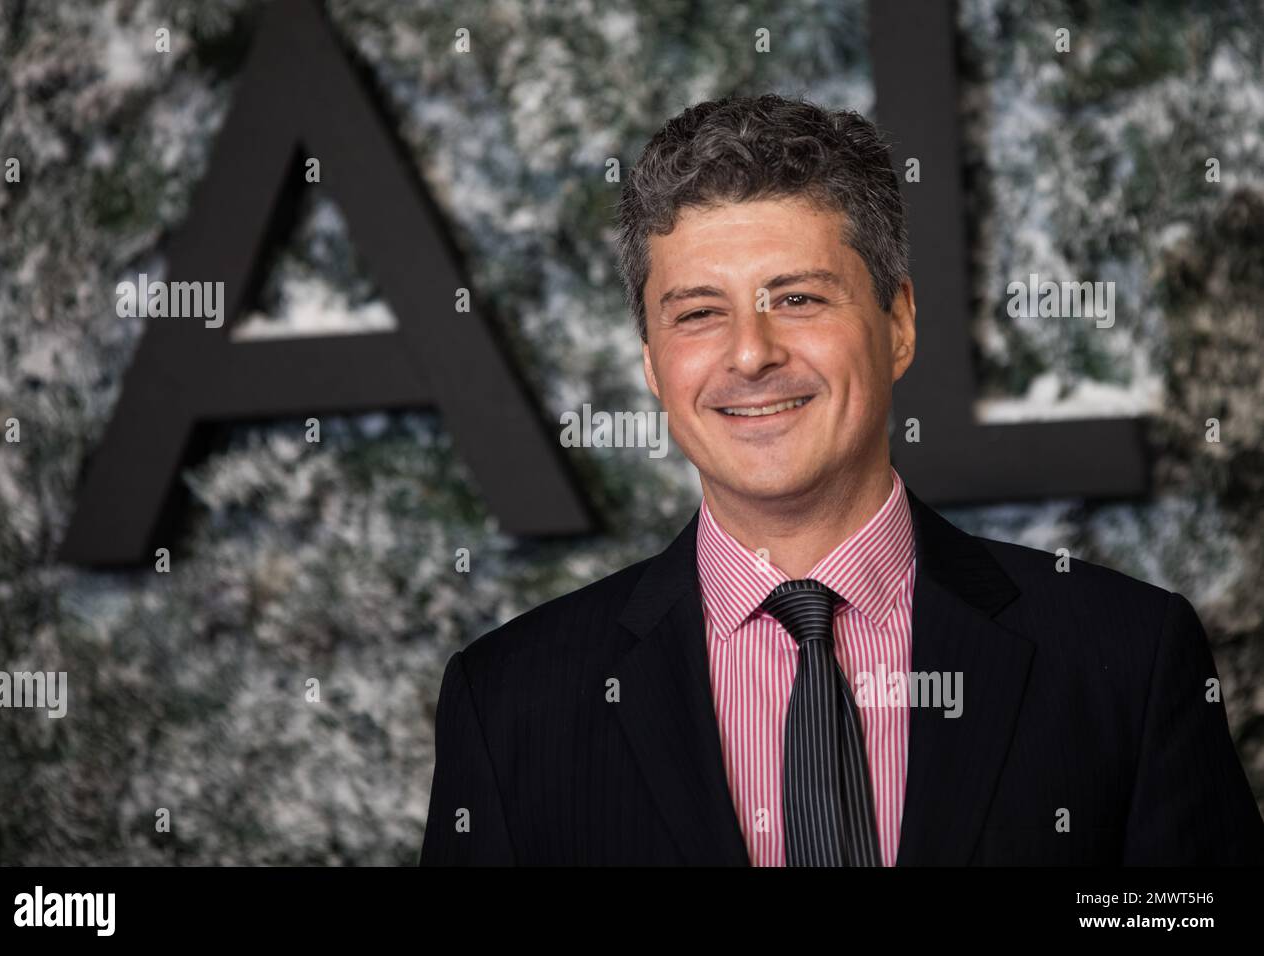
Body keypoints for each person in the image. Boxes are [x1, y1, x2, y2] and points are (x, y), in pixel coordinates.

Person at [419, 93, 1264, 866]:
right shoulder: (511, 705)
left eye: (797, 299)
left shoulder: (1127, 658)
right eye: (700, 313)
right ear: (651, 363)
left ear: (897, 325)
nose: (751, 354)